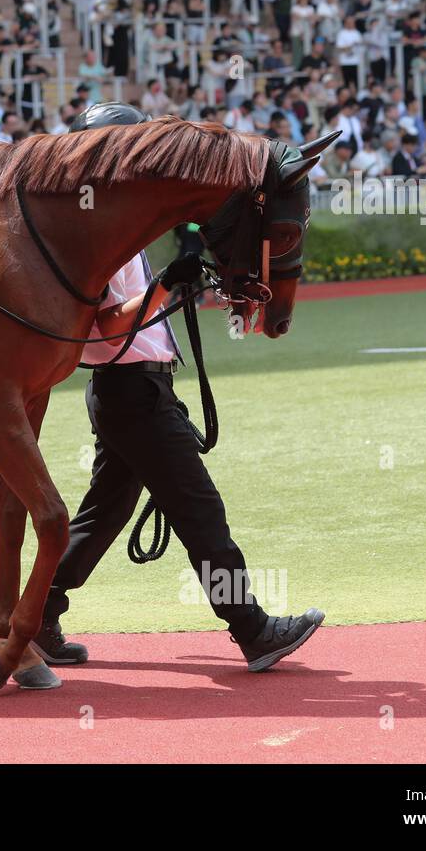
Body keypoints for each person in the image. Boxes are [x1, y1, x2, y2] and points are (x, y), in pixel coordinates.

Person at [34, 102, 325, 672]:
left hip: (136, 391)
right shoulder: (97, 234)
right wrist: (170, 283)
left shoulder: (118, 225)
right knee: (199, 512)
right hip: (129, 391)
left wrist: (183, 269)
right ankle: (253, 629)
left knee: (101, 519)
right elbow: (108, 324)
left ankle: (39, 613)